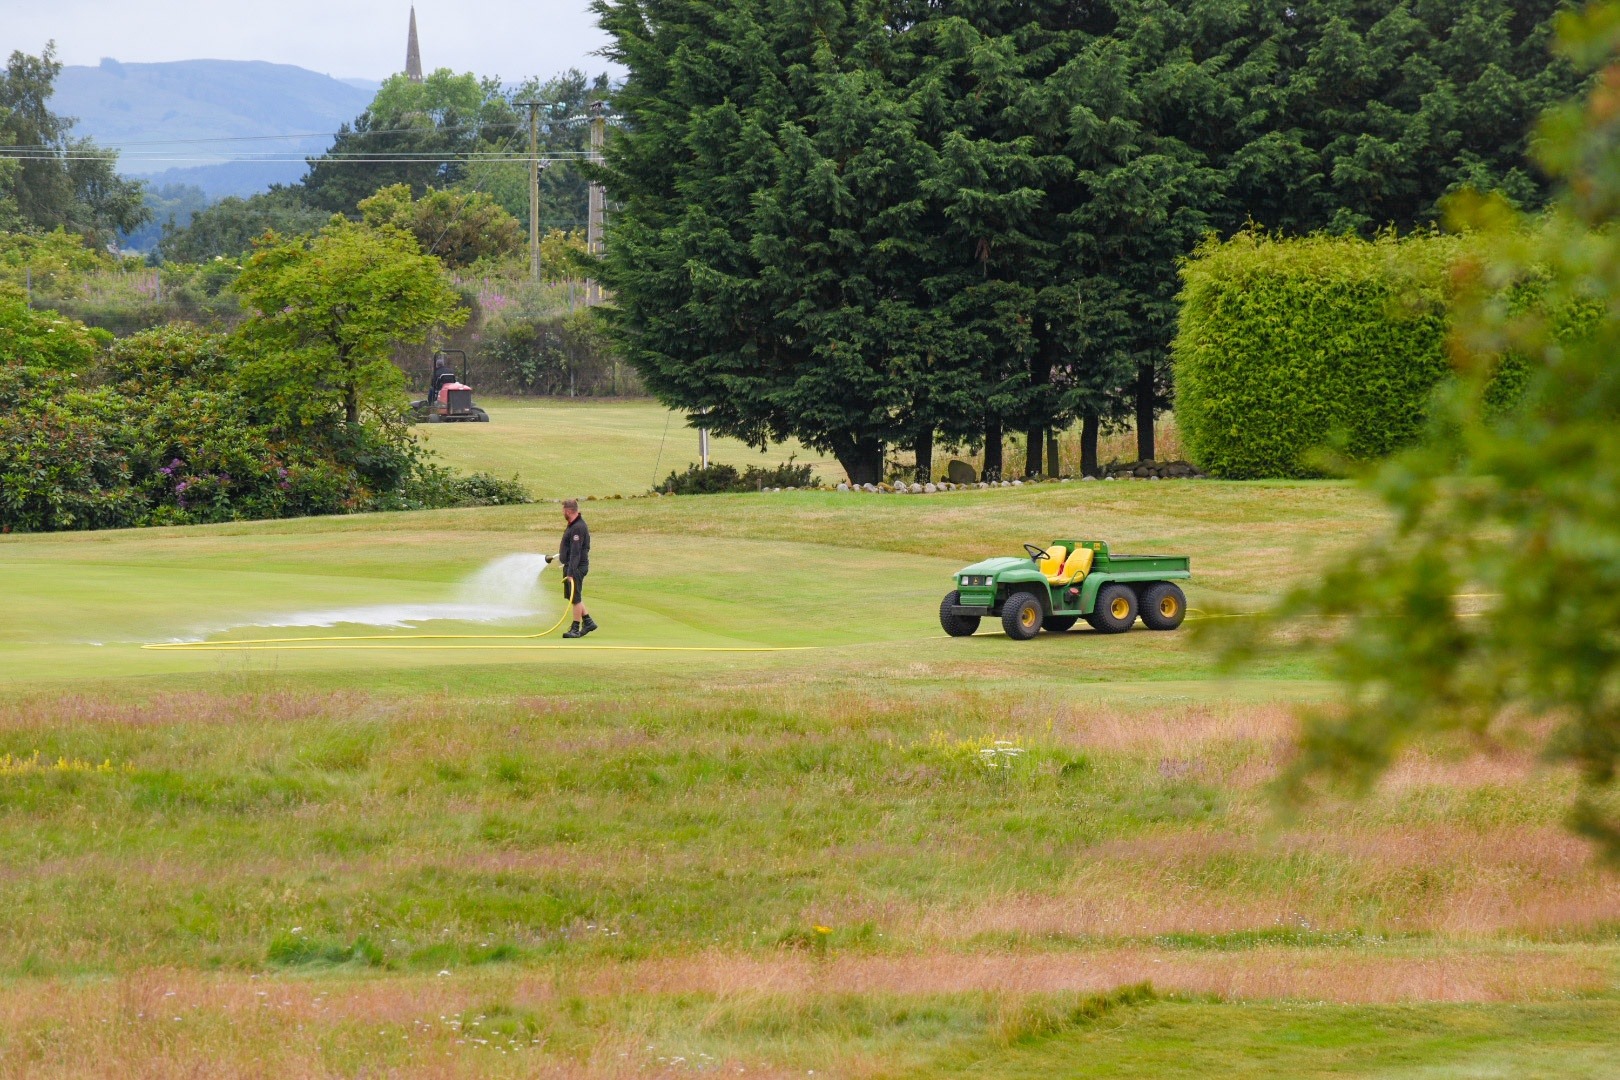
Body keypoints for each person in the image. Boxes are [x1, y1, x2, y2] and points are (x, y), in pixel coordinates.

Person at [555, 498, 596, 638]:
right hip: (572, 567)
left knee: (575, 598)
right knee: (573, 597)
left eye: (563, 510)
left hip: (576, 568)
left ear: (568, 511)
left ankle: (575, 629)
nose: (562, 513)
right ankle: (588, 622)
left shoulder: (578, 527)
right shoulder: (573, 524)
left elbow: (576, 552)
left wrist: (571, 572)